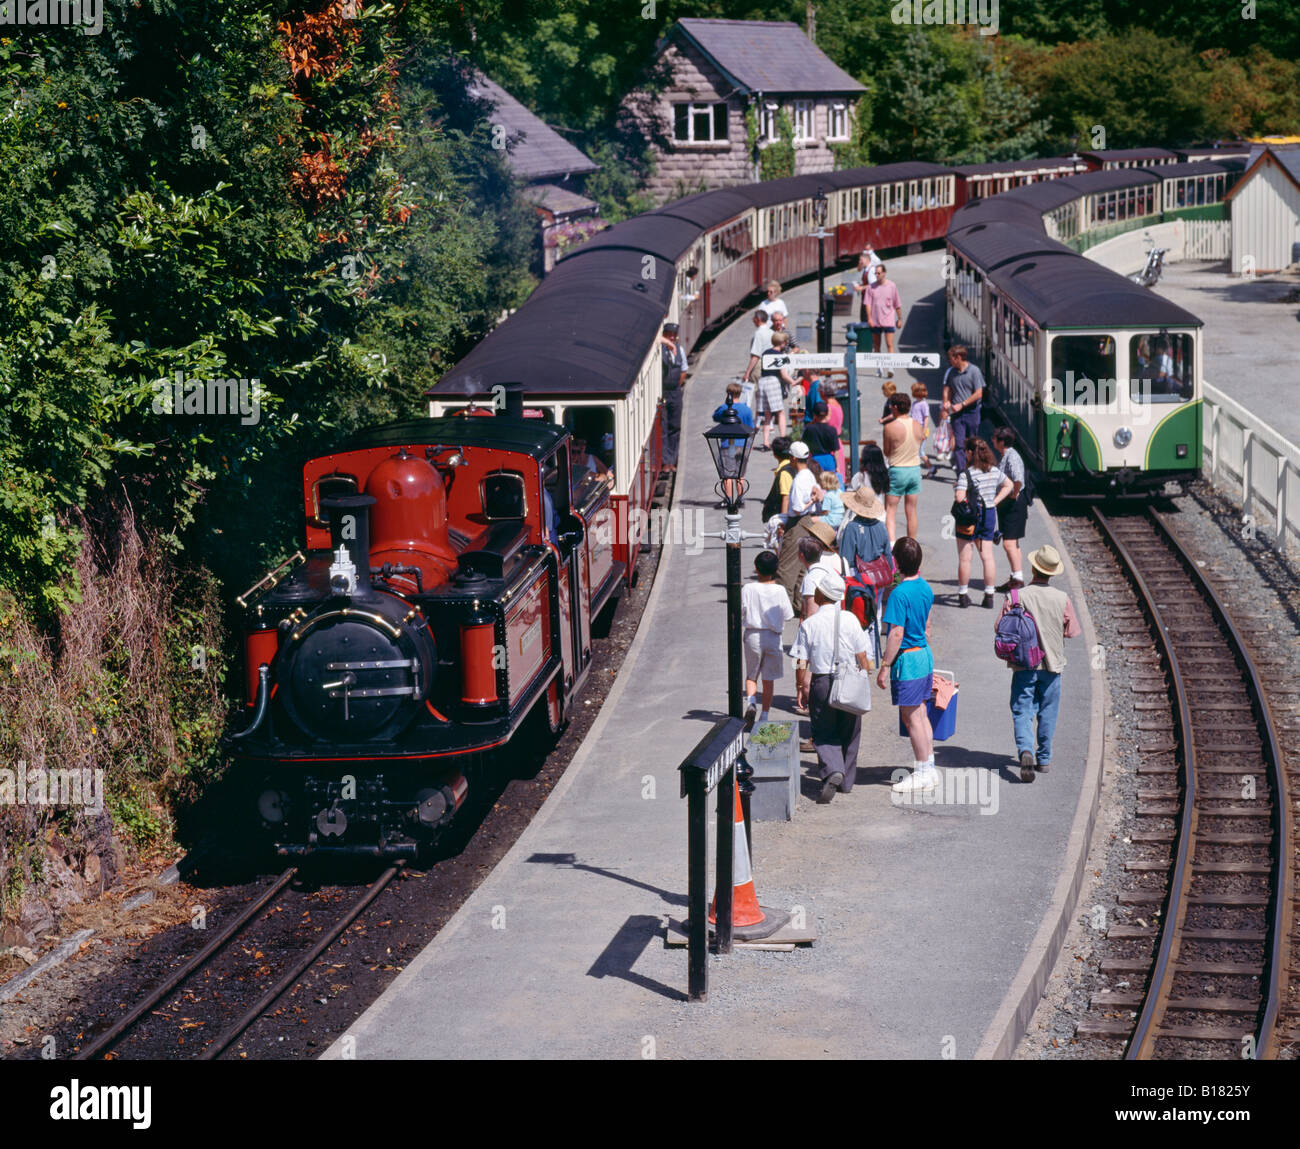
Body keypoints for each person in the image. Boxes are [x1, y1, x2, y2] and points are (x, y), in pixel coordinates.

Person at [790, 569, 873, 803]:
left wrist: (800, 684)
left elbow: (800, 659)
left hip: (822, 681)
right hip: (849, 679)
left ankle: (833, 770)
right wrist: (864, 675)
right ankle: (846, 781)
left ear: (820, 594)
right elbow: (862, 654)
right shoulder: (850, 619)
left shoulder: (810, 624)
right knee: (850, 730)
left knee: (823, 730)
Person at [1000, 545, 1082, 782]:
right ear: (1052, 573)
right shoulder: (1062, 599)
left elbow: (1000, 628)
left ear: (1034, 568)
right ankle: (1043, 759)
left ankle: (1025, 749)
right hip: (1053, 665)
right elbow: (1072, 630)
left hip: (1024, 665)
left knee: (1022, 709)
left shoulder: (1016, 596)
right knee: (1048, 712)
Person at [876, 537, 937, 794]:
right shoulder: (925, 588)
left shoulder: (899, 593)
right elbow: (928, 627)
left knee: (912, 718)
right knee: (921, 715)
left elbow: (896, 634)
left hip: (908, 660)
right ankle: (929, 768)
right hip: (924, 655)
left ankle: (922, 771)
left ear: (897, 562)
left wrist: (885, 665)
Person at [954, 436, 1014, 608]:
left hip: (969, 517)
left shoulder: (966, 474)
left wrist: (958, 488)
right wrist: (994, 501)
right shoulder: (994, 471)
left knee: (965, 558)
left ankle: (963, 595)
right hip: (988, 514)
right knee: (987, 557)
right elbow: (1008, 485)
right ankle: (989, 595)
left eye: (966, 451)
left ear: (971, 453)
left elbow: (960, 497)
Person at [742, 550, 794, 724]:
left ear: (756, 569)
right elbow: (788, 614)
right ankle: (764, 715)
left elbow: (741, 609)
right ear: (776, 569)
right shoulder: (780, 590)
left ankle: (751, 703)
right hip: (773, 636)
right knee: (768, 679)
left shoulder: (748, 588)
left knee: (751, 675)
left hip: (753, 634)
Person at [777, 440, 822, 613]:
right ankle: (798, 605)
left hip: (798, 523)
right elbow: (818, 492)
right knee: (802, 567)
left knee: (786, 568)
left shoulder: (798, 480)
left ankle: (783, 608)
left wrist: (809, 501)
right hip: (808, 522)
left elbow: (796, 508)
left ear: (793, 459)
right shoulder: (810, 474)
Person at [882, 393, 925, 543]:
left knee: (890, 511)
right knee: (911, 511)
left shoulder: (889, 427)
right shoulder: (917, 425)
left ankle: (893, 546)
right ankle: (911, 544)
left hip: (898, 469)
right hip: (915, 469)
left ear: (895, 407)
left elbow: (887, 452)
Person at [991, 427, 1028, 590]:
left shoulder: (1011, 456)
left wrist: (1014, 492)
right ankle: (1015, 575)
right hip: (1011, 505)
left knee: (1008, 544)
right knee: (1014, 543)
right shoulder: (1007, 455)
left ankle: (1018, 579)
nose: (992, 441)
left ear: (1001, 442)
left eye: (995, 439)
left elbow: (1018, 478)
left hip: (1014, 504)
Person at [941, 344, 986, 475]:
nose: (950, 361)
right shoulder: (951, 372)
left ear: (958, 357)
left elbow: (979, 393)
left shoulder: (974, 371)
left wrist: (963, 404)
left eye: (951, 358)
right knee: (959, 445)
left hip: (972, 412)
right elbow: (947, 389)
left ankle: (974, 470)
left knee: (972, 443)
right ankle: (962, 474)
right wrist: (946, 401)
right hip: (957, 414)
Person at [712, 382, 755, 507]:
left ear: (727, 394)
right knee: (740, 474)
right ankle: (740, 499)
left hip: (729, 444)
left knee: (728, 474)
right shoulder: (746, 410)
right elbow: (751, 429)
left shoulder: (724, 408)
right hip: (743, 444)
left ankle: (728, 500)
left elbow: (716, 417)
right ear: (740, 393)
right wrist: (750, 445)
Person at [754, 330, 795, 449]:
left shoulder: (765, 353)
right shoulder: (779, 356)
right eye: (785, 342)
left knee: (767, 415)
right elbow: (783, 375)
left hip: (762, 382)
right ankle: (783, 439)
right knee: (780, 412)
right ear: (782, 343)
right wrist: (793, 382)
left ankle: (766, 442)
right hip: (772, 382)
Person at [659, 322, 688, 474]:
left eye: (673, 335)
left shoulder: (680, 350)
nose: (672, 337)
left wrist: (677, 385)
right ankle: (665, 461)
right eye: (668, 334)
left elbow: (684, 370)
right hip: (663, 392)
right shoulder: (659, 350)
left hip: (675, 391)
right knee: (663, 428)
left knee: (675, 427)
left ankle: (672, 460)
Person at [865, 261, 903, 374]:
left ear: (884, 273)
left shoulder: (892, 286)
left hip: (889, 320)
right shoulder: (871, 288)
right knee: (876, 345)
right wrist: (869, 318)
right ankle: (879, 367)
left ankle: (890, 367)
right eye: (875, 273)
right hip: (876, 320)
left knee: (889, 344)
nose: (877, 275)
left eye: (879, 273)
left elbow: (897, 304)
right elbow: (868, 304)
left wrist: (900, 318)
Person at [761, 437, 794, 550]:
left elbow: (786, 497)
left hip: (785, 515)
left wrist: (782, 522)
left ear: (775, 454)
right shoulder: (792, 466)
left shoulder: (784, 472)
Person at [801, 400, 840, 477]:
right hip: (829, 460)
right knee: (829, 483)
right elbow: (836, 450)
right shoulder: (832, 430)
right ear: (826, 414)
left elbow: (803, 445)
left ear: (814, 414)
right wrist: (838, 466)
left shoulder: (809, 429)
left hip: (815, 460)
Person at [743, 308, 773, 385]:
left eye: (754, 318)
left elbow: (756, 355)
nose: (753, 320)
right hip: (771, 364)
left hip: (760, 366)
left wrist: (747, 372)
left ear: (758, 319)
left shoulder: (759, 333)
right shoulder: (772, 332)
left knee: (758, 391)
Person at [911, 382, 933, 475]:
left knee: (920, 452)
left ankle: (931, 468)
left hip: (921, 430)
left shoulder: (924, 404)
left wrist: (923, 432)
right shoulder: (915, 403)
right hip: (915, 429)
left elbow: (926, 418)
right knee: (915, 451)